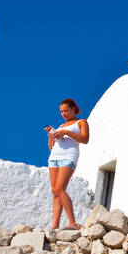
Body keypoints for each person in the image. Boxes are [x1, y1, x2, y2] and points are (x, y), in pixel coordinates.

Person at [45, 98, 89, 233]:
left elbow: (85, 139)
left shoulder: (81, 122)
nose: (63, 114)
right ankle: (54, 225)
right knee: (55, 191)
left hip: (69, 156)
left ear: (73, 109)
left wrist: (66, 133)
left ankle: (72, 222)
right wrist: (51, 136)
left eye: (66, 111)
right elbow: (51, 148)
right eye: (61, 111)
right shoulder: (60, 126)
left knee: (60, 189)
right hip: (54, 157)